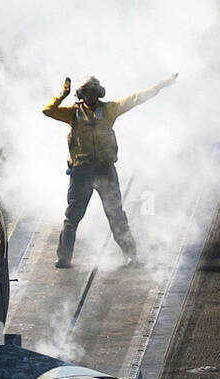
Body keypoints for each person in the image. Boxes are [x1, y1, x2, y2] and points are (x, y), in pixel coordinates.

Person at [42, 72, 177, 268]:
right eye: (86, 93)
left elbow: (134, 99)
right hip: (81, 172)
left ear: (99, 93)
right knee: (72, 217)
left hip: (104, 170)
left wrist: (159, 86)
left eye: (93, 92)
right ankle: (64, 257)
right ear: (81, 94)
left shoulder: (109, 110)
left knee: (116, 215)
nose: (90, 96)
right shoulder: (73, 113)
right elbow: (47, 111)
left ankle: (130, 255)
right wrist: (62, 95)